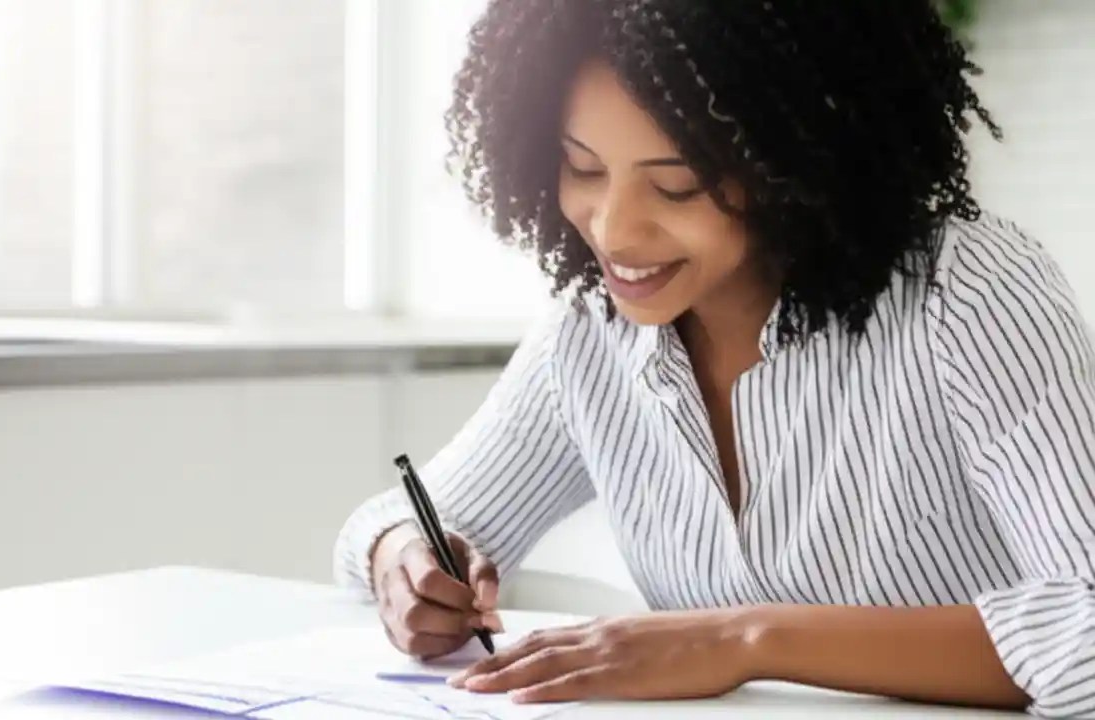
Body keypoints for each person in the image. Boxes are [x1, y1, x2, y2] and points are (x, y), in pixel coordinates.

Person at [334, 1, 1095, 715]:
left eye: (677, 186)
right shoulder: (592, 334)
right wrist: (405, 560)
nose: (615, 230)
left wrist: (746, 641)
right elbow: (406, 518)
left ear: (795, 167)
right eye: (583, 168)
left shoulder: (965, 291)